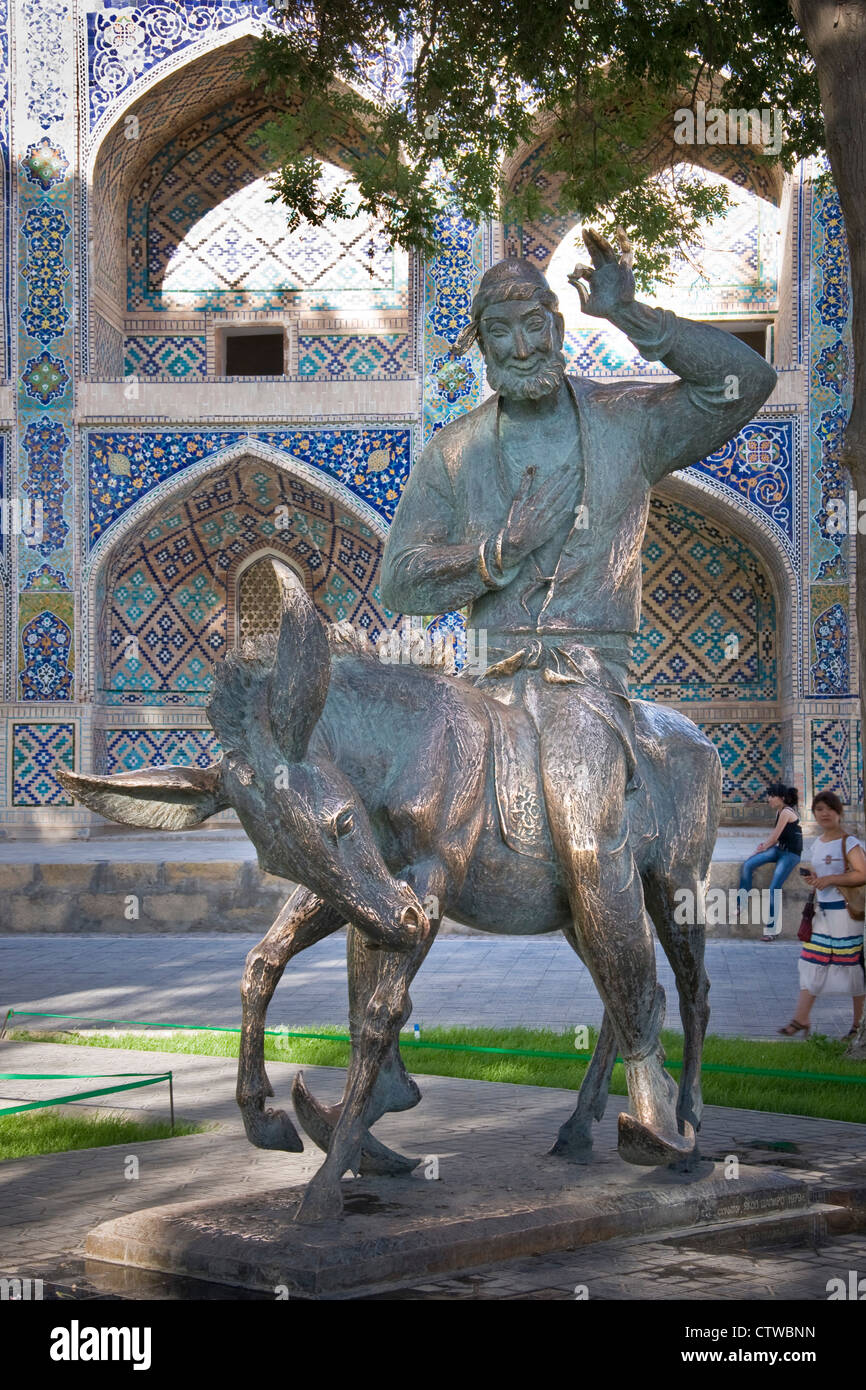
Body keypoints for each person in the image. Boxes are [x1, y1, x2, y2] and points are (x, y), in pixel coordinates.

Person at [381, 234, 776, 1158]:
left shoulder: (626, 424)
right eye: (498, 334)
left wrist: (636, 319)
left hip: (580, 682)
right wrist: (490, 556)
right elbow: (401, 581)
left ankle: (646, 1068)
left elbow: (743, 385)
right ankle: (376, 1073)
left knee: (588, 831)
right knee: (382, 826)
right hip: (484, 683)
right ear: (478, 345)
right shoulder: (456, 452)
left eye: (533, 326)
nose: (519, 347)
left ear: (557, 327)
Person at [778, 791, 866, 1038]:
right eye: (819, 809)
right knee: (811, 963)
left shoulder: (849, 843)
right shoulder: (818, 843)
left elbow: (862, 873)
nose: (824, 814)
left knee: (852, 968)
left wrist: (830, 879)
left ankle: (858, 1027)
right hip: (822, 915)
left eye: (829, 809)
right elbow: (822, 876)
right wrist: (814, 880)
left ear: (839, 812)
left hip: (846, 916)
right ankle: (801, 1018)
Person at [738, 782, 802, 942]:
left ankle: (771, 930)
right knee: (748, 865)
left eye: (771, 796)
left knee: (774, 888)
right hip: (779, 850)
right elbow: (776, 839)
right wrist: (762, 848)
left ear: (781, 798)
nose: (769, 799)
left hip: (790, 855)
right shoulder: (779, 812)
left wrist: (762, 847)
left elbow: (774, 836)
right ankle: (742, 903)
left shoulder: (787, 812)